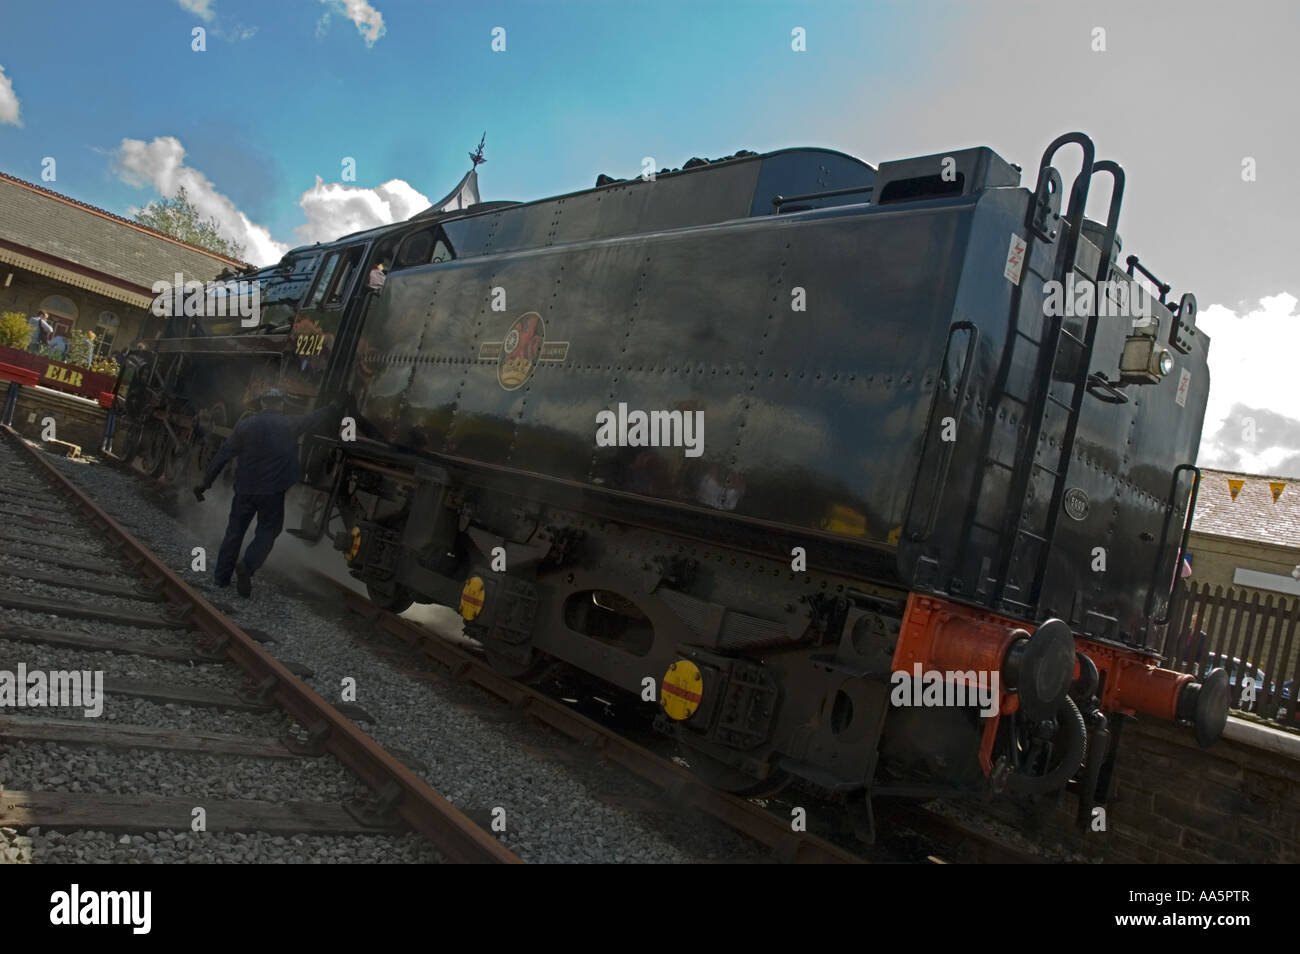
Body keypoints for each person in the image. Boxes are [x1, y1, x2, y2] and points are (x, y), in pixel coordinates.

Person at [192, 388, 342, 597]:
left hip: (244, 489)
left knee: (234, 532)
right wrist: (332, 408)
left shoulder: (245, 425)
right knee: (268, 531)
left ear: (262, 403)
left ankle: (221, 579)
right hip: (272, 492)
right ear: (281, 404)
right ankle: (248, 565)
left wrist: (205, 483)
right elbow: (313, 418)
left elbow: (223, 455)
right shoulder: (289, 424)